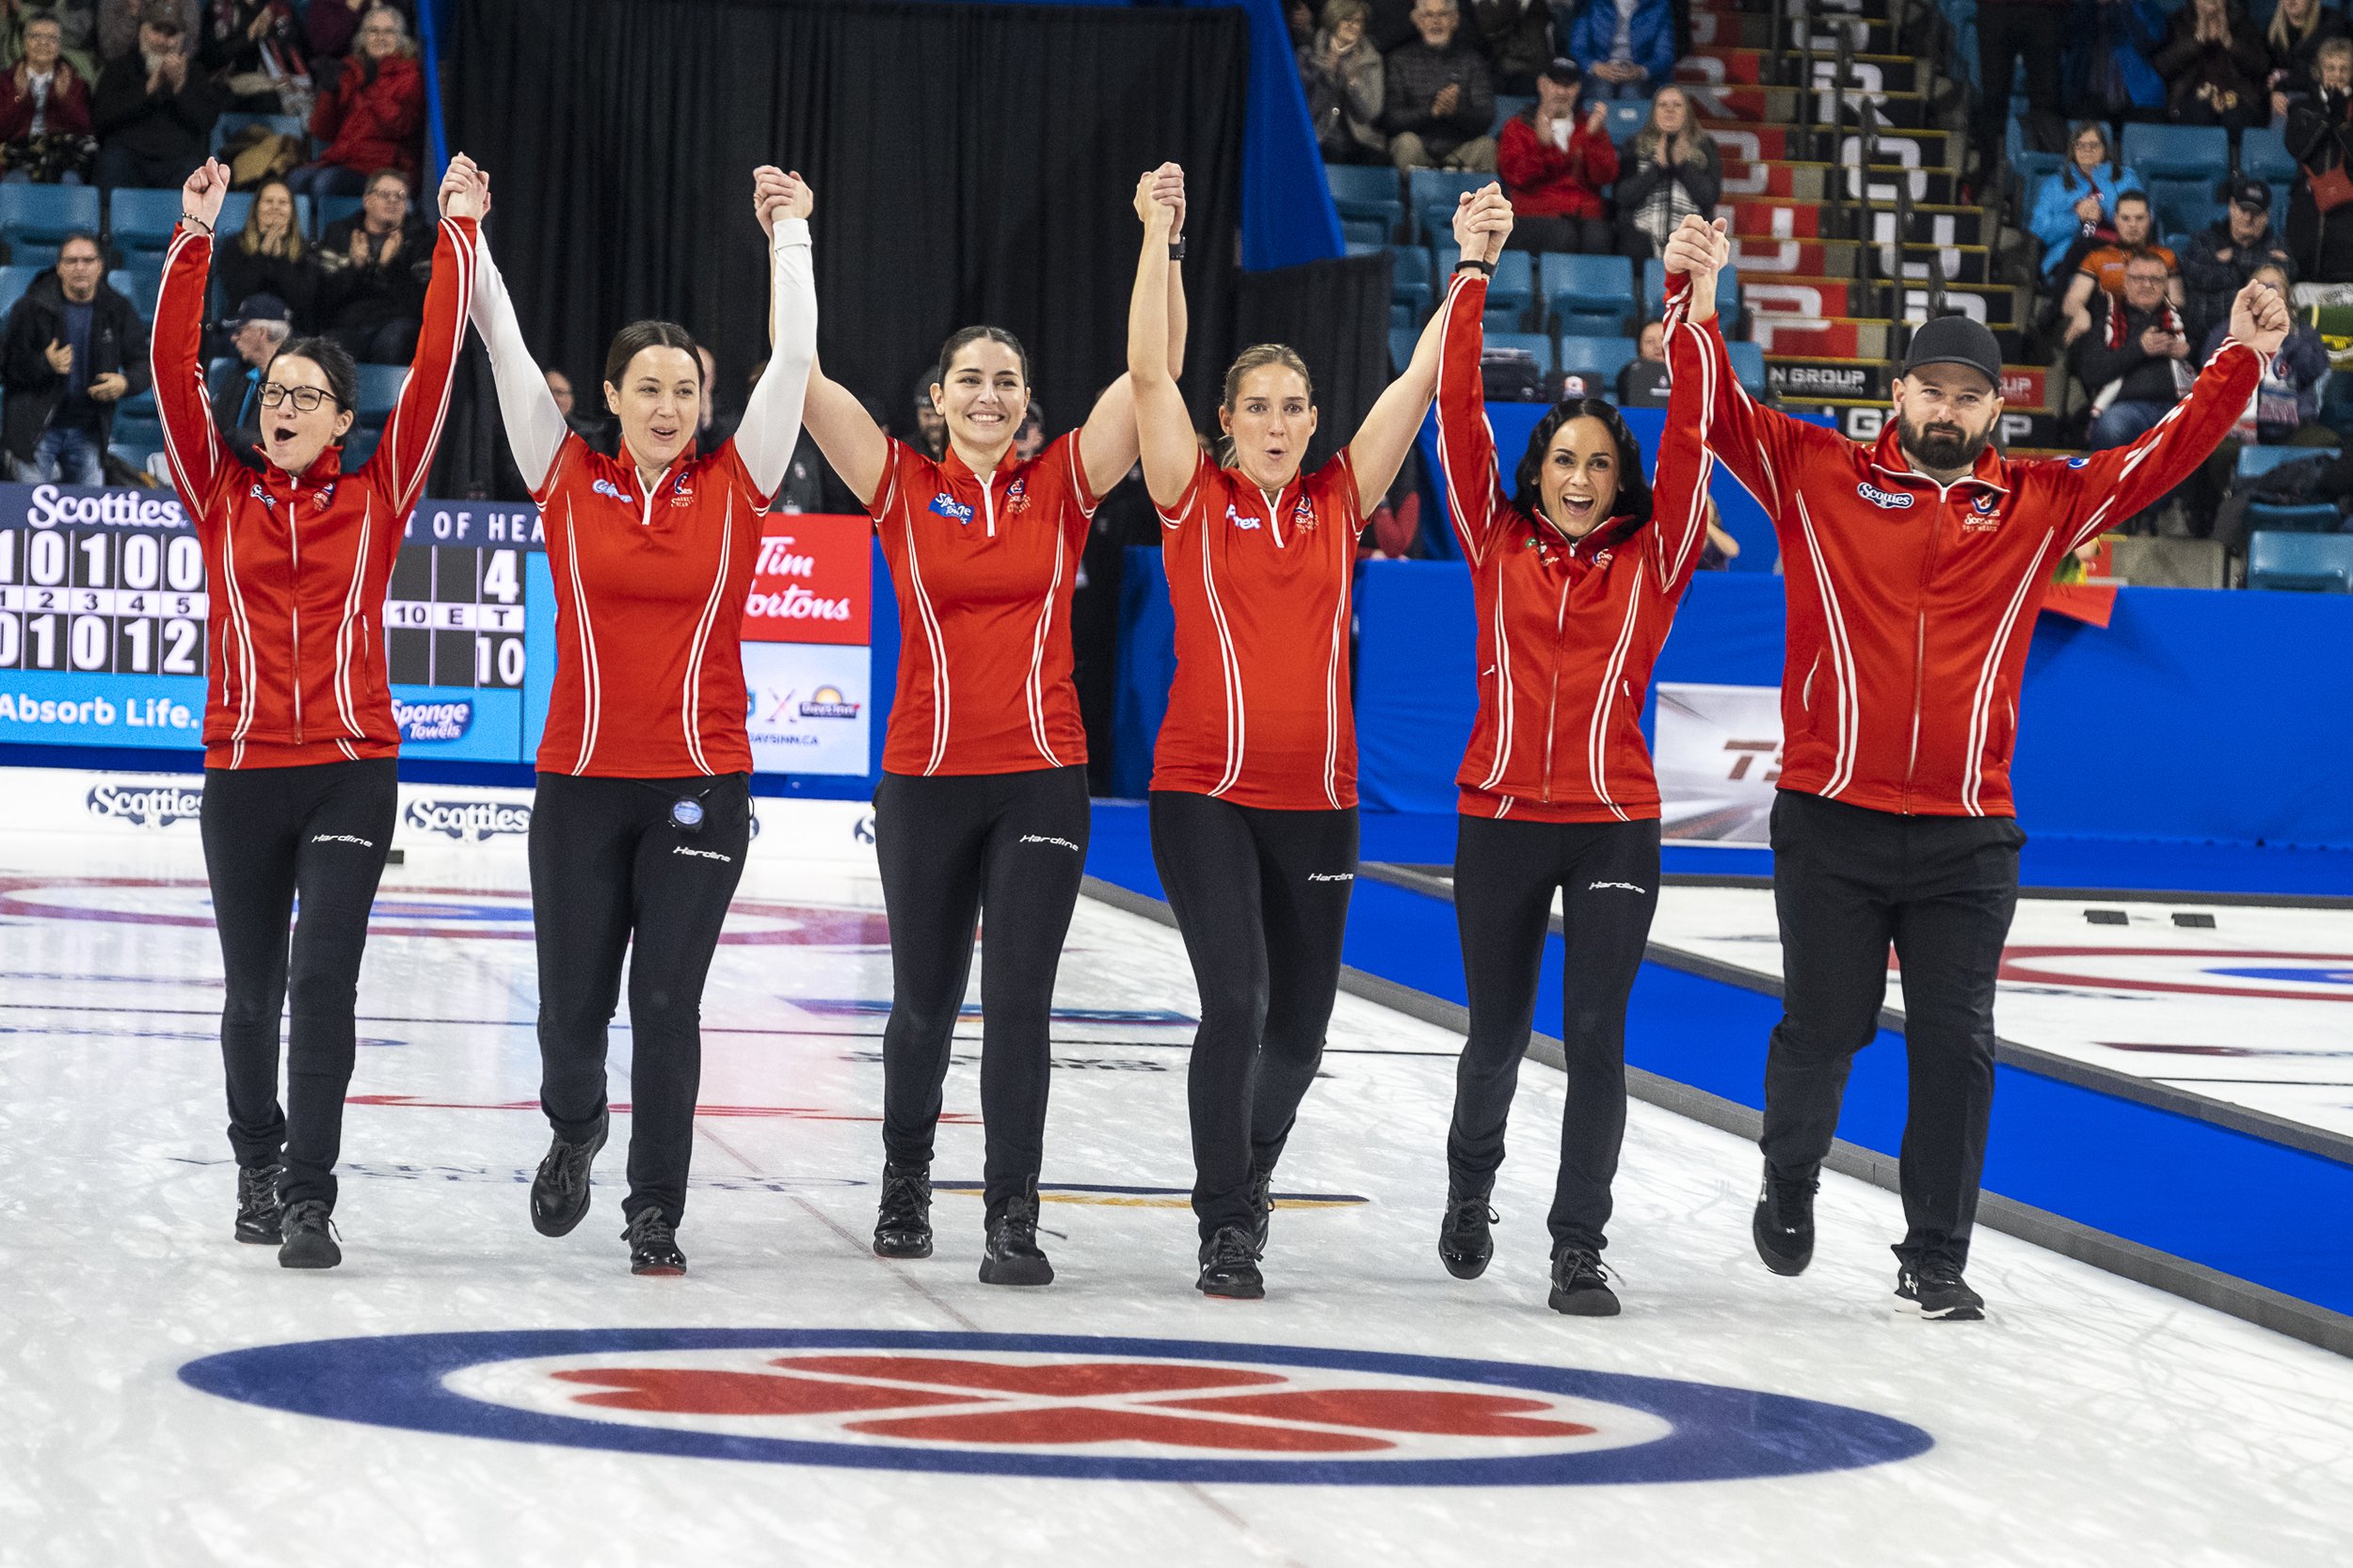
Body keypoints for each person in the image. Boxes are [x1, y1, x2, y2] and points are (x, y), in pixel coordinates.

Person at [1673, 207, 2286, 1320]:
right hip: (1831, 816)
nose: (1946, 408)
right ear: (1895, 395)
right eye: (1930, 389)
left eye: (1968, 393)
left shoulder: (2039, 502)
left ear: (1997, 407)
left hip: (1967, 829)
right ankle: (1789, 1169)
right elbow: (1711, 408)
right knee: (1826, 1029)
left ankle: (1936, 1254)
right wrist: (1695, 298)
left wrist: (2242, 357)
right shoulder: (1812, 472)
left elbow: (2165, 454)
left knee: (1957, 1045)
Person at [789, 168, 1190, 1289]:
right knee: (922, 1001)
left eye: (1006, 380)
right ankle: (905, 1182)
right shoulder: (896, 481)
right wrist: (793, 240)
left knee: (1018, 1002)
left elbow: (1150, 374)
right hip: (922, 775)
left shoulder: (1064, 484)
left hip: (1039, 778)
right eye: (970, 378)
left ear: (1025, 400)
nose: (988, 393)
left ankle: (1012, 1213)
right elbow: (802, 378)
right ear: (937, 397)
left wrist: (1160, 235)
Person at [463, 155, 817, 1276]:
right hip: (577, 783)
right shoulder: (563, 473)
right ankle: (575, 1124)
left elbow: (796, 360)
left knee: (665, 1001)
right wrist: (468, 231)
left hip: (702, 784)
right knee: (571, 1016)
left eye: (685, 390)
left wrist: (789, 237)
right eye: (647, 388)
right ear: (609, 398)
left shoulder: (737, 486)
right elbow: (503, 347)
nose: (669, 407)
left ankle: (653, 1207)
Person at [152, 153, 477, 1270]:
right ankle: (255, 1157)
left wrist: (458, 238)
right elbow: (167, 363)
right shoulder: (220, 492)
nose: (280, 406)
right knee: (251, 992)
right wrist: (195, 234)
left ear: (341, 418)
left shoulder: (375, 498)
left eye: (304, 396)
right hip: (241, 774)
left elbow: (433, 372)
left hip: (351, 768)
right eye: (272, 392)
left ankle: (308, 1193)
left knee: (320, 979)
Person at [1128, 168, 1447, 1301]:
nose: (1274, 423)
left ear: (1314, 423)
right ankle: (1225, 1224)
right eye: (1255, 407)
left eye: (1292, 408)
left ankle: (1246, 1179)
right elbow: (1148, 371)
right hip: (1203, 793)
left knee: (1302, 1036)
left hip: (1320, 799)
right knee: (1240, 1004)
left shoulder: (1336, 502)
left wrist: (1469, 270)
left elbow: (1415, 383)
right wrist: (1162, 235)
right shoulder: (1189, 496)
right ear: (1227, 422)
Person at [1427, 187, 1713, 1316]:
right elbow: (1456, 415)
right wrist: (1471, 273)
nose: (1582, 476)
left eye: (1600, 461)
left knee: (1595, 1035)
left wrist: (1690, 307)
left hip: (1611, 822)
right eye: (1562, 460)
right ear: (1535, 472)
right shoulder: (1491, 541)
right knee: (1495, 1035)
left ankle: (1576, 1245)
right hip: (1497, 817)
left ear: (1620, 477)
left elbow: (1691, 437)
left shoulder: (1658, 556)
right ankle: (1468, 1188)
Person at [1, 230, 145, 483]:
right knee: (32, 518)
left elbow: (144, 362)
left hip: (89, 431)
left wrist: (126, 383)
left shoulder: (117, 308)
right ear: (59, 267)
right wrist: (46, 364)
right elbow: (8, 367)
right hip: (36, 434)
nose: (80, 268)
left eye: (88, 261)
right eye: (71, 261)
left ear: (100, 266)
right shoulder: (31, 308)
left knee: (90, 519)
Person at [287, 4, 416, 200]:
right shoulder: (352, 71)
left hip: (386, 168)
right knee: (295, 180)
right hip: (345, 160)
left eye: (389, 32)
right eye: (373, 31)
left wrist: (375, 87)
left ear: (400, 39)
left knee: (325, 184)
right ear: (363, 38)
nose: (380, 37)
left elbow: (403, 128)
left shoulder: (410, 75)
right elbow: (323, 132)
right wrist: (328, 94)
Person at [1497, 57, 1621, 255]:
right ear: (1542, 84)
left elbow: (1604, 176)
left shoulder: (1591, 126)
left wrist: (1593, 139)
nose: (1562, 92)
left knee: (1600, 237)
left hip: (1584, 214)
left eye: (1569, 85)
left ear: (1578, 88)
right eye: (1556, 84)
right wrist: (1543, 147)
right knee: (1563, 234)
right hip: (1535, 215)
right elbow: (1517, 177)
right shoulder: (1517, 127)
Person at [2072, 252, 2193, 452]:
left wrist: (2188, 352)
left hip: (2179, 406)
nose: (2147, 285)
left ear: (2165, 285)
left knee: (2202, 431)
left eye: (2155, 279)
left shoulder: (2185, 319)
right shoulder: (2105, 318)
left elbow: (2212, 364)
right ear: (2126, 283)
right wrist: (2140, 349)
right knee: (2112, 427)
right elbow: (2091, 372)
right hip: (2126, 407)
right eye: (2138, 279)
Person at [90, 1, 218, 188]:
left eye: (171, 34)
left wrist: (179, 87)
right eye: (157, 31)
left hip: (178, 159)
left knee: (195, 172)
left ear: (181, 39)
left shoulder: (195, 72)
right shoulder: (119, 67)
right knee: (111, 164)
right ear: (143, 30)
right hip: (127, 155)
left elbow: (206, 121)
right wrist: (148, 88)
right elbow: (101, 117)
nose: (163, 41)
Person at [2201, 262, 2329, 444]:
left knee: (2322, 444)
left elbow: (2314, 370)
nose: (2267, 291)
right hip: (2235, 422)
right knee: (2217, 450)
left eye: (2274, 286)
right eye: (2260, 285)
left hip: (2295, 424)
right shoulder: (2228, 328)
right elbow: (2210, 370)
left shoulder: (2303, 332)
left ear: (2286, 293)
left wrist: (2285, 335)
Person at [315, 166, 429, 362]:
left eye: (400, 196)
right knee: (329, 346)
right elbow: (322, 299)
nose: (393, 201)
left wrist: (391, 266)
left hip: (396, 322)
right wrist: (355, 268)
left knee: (396, 340)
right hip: (347, 324)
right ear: (367, 200)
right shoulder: (339, 233)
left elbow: (423, 304)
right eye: (385, 194)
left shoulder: (420, 239)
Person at [1384, 0, 1497, 172]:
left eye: (1442, 14)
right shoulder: (1399, 60)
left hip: (1461, 148)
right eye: (1428, 15)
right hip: (1419, 148)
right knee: (1405, 143)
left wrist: (1456, 111)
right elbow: (1392, 119)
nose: (1435, 21)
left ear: (1455, 19)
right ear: (1417, 20)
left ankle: (1481, 199)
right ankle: (1406, 198)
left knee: (1487, 146)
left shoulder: (1472, 60)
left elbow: (1486, 116)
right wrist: (1431, 112)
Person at [2179, 177, 2296, 343]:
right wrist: (2256, 271)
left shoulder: (2278, 243)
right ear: (2232, 207)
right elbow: (2196, 274)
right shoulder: (2205, 240)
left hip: (2262, 338)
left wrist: (2232, 257)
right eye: (2243, 210)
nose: (2248, 218)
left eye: (2256, 213)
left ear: (2267, 216)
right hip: (2208, 338)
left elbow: (2289, 270)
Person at [1612, 84, 1720, 263]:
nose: (1670, 110)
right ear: (1654, 112)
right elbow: (1623, 196)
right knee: (1632, 247)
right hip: (1641, 235)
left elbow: (1709, 197)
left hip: (1691, 236)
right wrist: (1657, 168)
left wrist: (1682, 166)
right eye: (1663, 105)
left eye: (1677, 105)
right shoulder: (1635, 145)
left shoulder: (1705, 146)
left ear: (1687, 113)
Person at [2059, 191, 2182, 344]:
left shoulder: (2166, 257)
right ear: (2116, 220)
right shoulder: (2098, 257)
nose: (2132, 225)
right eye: (2125, 218)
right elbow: (2072, 300)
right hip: (2106, 330)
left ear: (2149, 220)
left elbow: (2177, 302)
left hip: (2152, 328)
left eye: (2139, 218)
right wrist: (2080, 313)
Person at [2026, 123, 2143, 283]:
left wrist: (2105, 210)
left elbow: (2142, 220)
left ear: (2104, 148)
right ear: (2072, 149)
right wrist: (2076, 218)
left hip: (2117, 252)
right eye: (2081, 145)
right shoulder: (2054, 185)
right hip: (2068, 256)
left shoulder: (2126, 179)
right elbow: (2039, 230)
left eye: (2094, 145)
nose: (2087, 149)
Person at [1972, 0, 2070, 181]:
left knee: (2047, 100)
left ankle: (2046, 178)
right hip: (1996, 8)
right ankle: (1987, 172)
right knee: (1993, 96)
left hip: (2046, 9)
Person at [0, 10, 97, 184]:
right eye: (36, 36)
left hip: (61, 158)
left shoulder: (76, 84)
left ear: (59, 46)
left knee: (70, 181)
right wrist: (18, 97)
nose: (43, 42)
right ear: (24, 43)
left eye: (51, 38)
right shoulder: (5, 81)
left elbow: (85, 129)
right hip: (18, 158)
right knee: (16, 182)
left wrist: (64, 100)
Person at [2286, 38, 2353, 282]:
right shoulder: (2301, 107)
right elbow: (2298, 148)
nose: (2336, 74)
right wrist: (2327, 118)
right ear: (2320, 71)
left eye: (2344, 68)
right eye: (2331, 68)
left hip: (2347, 213)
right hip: (2307, 210)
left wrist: (2343, 122)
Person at [213, 176, 318, 328]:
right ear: (256, 208)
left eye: (283, 203)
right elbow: (238, 294)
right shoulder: (234, 244)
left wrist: (280, 258)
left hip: (290, 330)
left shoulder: (306, 249)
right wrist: (262, 253)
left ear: (292, 211)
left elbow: (302, 303)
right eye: (268, 201)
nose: (275, 207)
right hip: (244, 326)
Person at [2153, 0, 2271, 130]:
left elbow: (2261, 65)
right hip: (2190, 97)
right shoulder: (2179, 21)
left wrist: (2230, 42)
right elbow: (2163, 66)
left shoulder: (2242, 22)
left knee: (2235, 117)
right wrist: (2197, 40)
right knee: (2200, 113)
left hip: (2238, 97)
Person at [1299, 0, 1386, 165]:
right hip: (1317, 136)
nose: (1353, 26)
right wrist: (1328, 76)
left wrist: (1354, 82)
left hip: (1359, 141)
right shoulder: (1309, 54)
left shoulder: (1371, 59)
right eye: (1347, 19)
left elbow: (1371, 112)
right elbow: (1307, 110)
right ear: (1334, 20)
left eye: (1358, 21)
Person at [204, 289, 287, 449]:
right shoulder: (239, 375)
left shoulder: (295, 382)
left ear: (262, 333)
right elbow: (213, 424)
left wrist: (234, 438)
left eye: (239, 330)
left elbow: (283, 445)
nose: (233, 338)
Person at [196, 0, 306, 114]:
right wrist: (249, 36)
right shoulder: (219, 9)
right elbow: (212, 58)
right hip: (228, 79)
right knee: (267, 97)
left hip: (275, 76)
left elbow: (295, 47)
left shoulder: (275, 7)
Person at [1564, 0, 1673, 102]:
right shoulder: (1591, 3)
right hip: (1597, 71)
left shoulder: (1658, 5)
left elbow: (1664, 54)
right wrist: (1595, 67)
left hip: (1640, 74)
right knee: (1602, 90)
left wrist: (1641, 71)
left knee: (1631, 92)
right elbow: (1578, 47)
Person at [2265, 0, 2351, 117]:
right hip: (2291, 92)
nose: (2291, 1)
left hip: (2326, 93)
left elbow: (2321, 74)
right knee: (2280, 104)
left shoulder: (2332, 25)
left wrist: (2281, 84)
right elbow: (2264, 69)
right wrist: (2272, 90)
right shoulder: (2272, 31)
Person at [1468, 0, 1552, 93]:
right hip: (1500, 69)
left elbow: (1541, 49)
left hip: (1533, 72)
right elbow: (1487, 27)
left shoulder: (1539, 8)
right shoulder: (1488, 6)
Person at [1617, 315, 1670, 406]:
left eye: (1663, 339)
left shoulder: (1689, 371)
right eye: (1650, 341)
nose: (1658, 346)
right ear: (1640, 348)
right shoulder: (1628, 374)